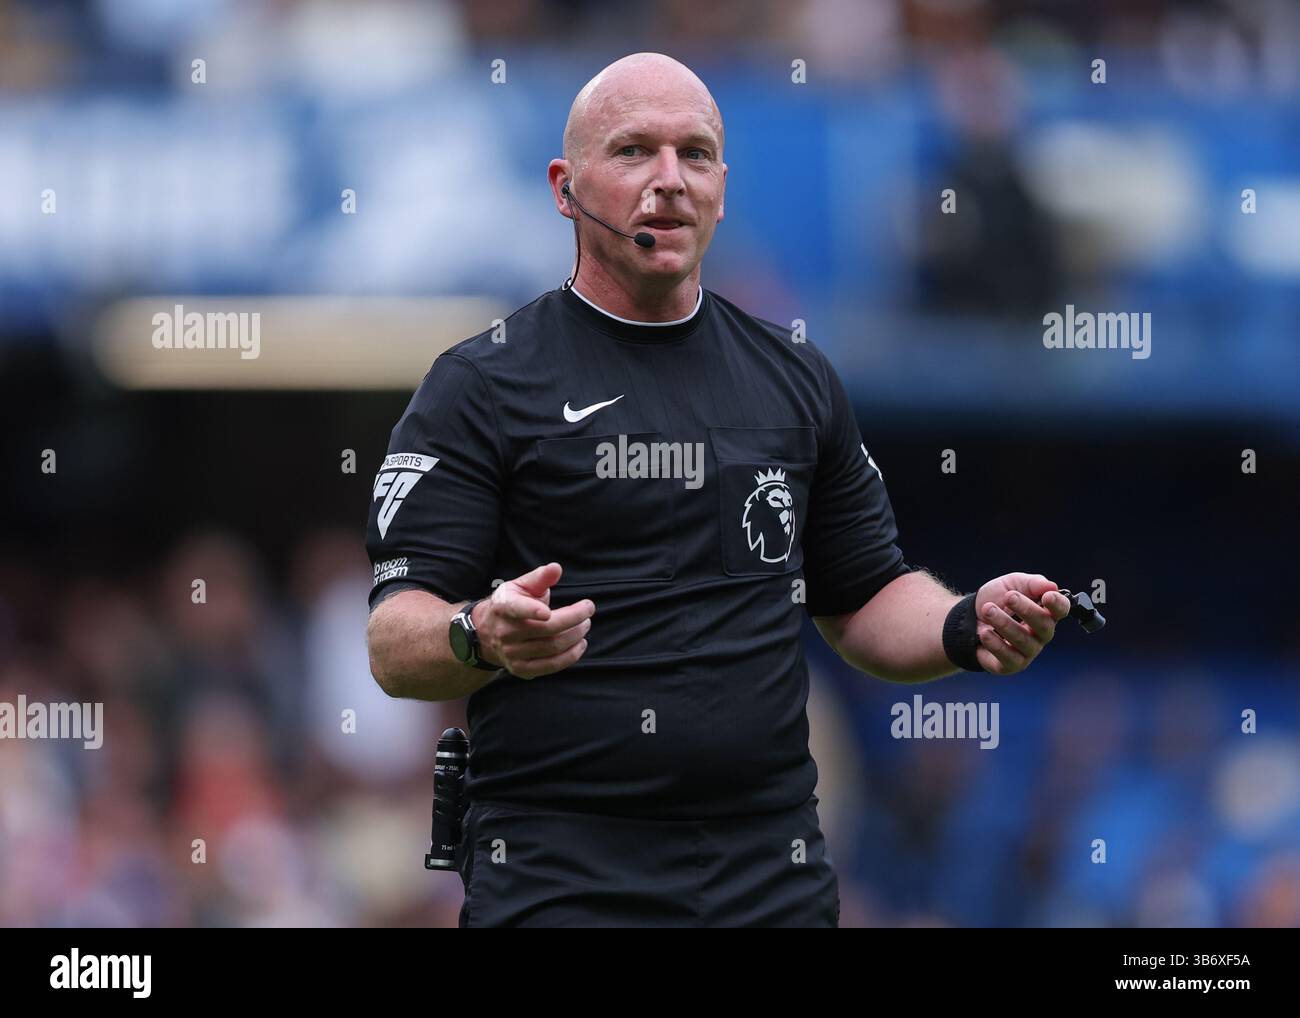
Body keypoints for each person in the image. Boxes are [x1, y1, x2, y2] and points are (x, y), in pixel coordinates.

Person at [365, 52, 1071, 928]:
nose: (668, 181)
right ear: (564, 185)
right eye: (634, 152)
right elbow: (394, 642)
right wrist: (479, 633)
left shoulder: (796, 380)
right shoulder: (481, 385)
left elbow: (862, 601)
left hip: (766, 876)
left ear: (723, 186)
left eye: (694, 155)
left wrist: (966, 622)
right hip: (560, 875)